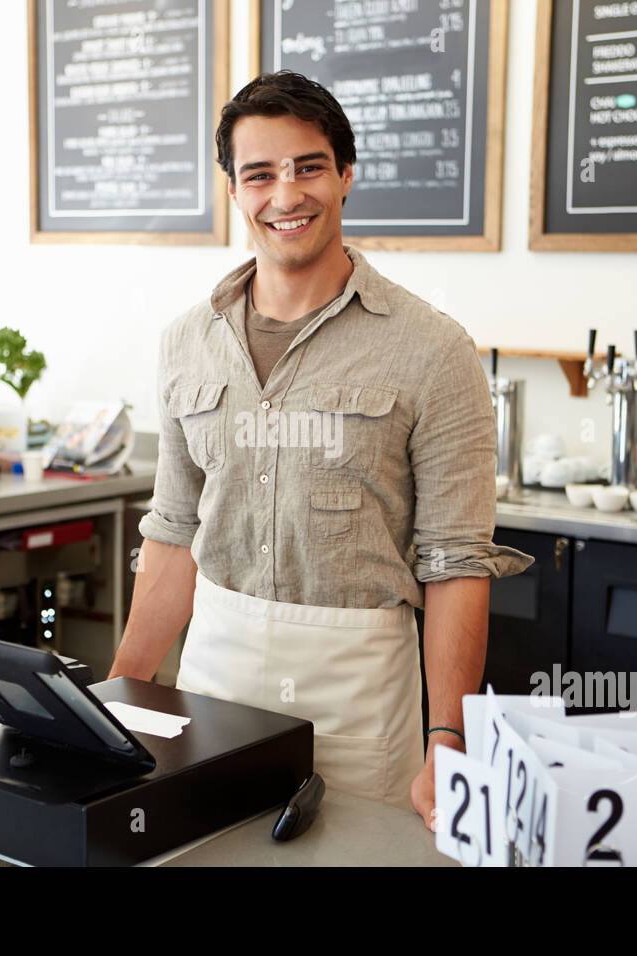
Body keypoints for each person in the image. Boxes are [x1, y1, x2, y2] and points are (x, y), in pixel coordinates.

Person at [108, 71, 531, 825]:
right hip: (214, 675)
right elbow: (173, 533)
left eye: (308, 167)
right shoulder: (186, 343)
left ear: (345, 176)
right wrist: (118, 696)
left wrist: (449, 739)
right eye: (260, 174)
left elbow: (457, 562)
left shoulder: (433, 350)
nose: (286, 194)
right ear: (235, 192)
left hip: (359, 689)